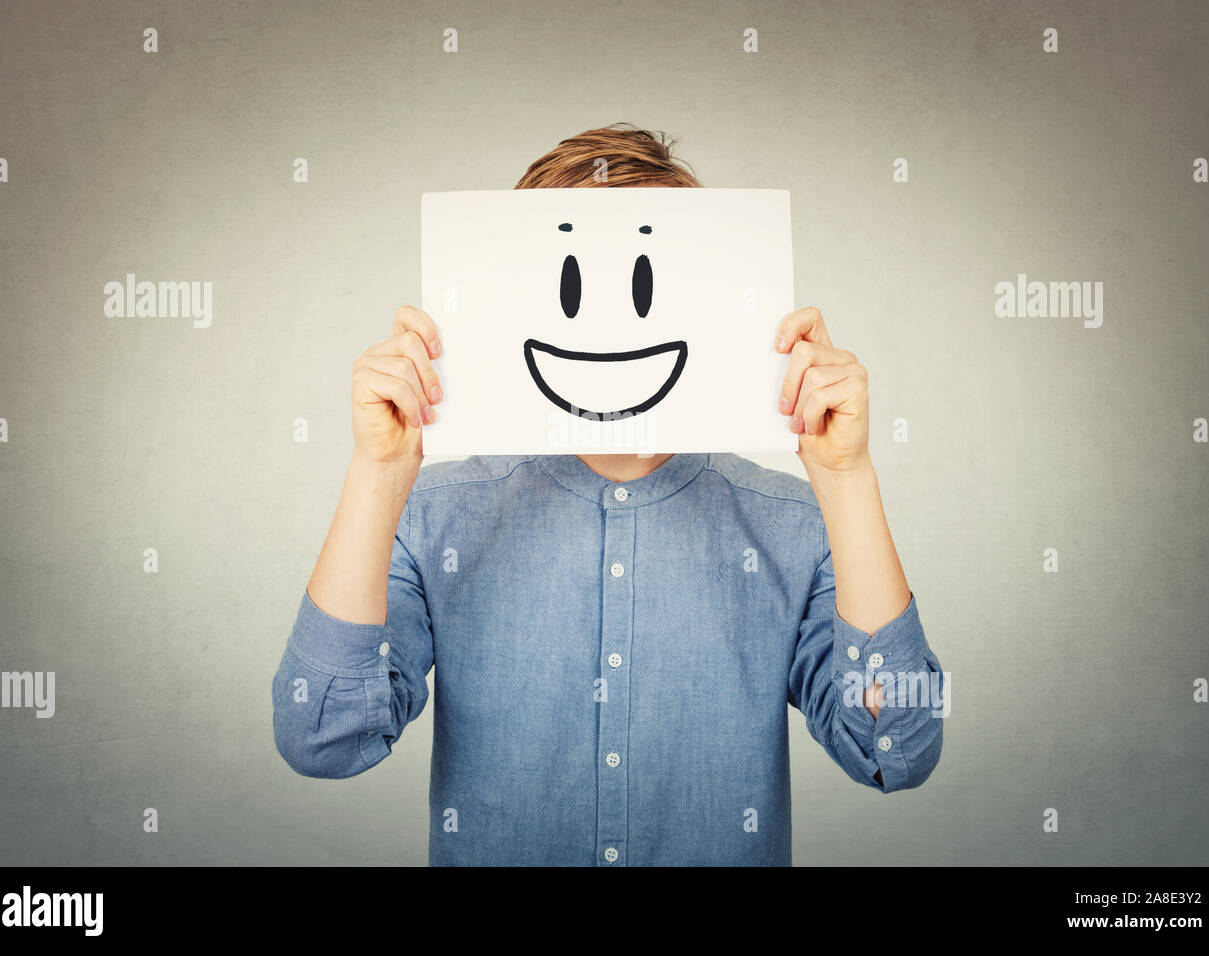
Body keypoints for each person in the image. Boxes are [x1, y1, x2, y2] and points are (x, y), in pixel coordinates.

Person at [271, 124, 944, 866]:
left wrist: (847, 480)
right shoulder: (433, 516)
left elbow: (895, 747)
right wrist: (376, 472)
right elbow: (321, 738)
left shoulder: (794, 525)